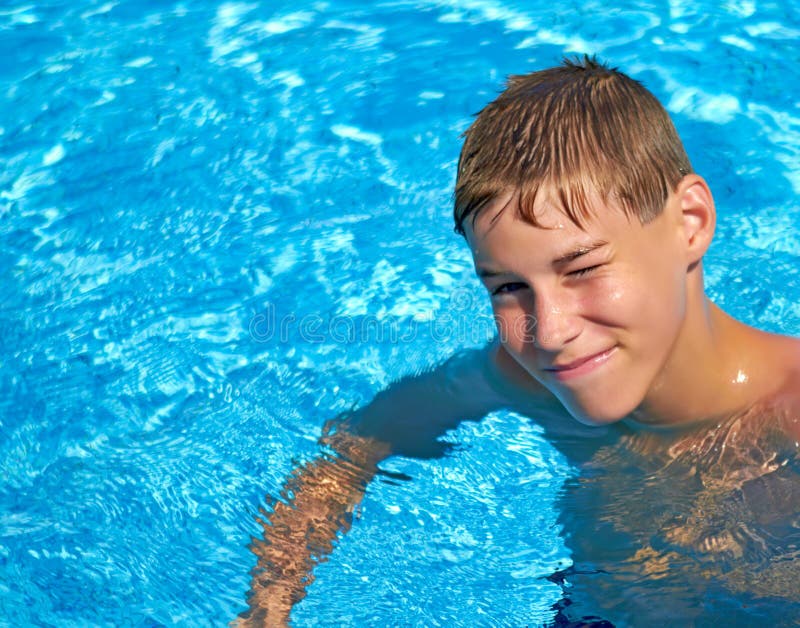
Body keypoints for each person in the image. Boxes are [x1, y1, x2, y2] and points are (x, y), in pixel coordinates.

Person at [235, 57, 800, 626]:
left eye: (582, 269)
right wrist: (269, 606)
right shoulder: (525, 381)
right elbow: (357, 445)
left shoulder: (790, 412)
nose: (549, 332)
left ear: (691, 223)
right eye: (509, 287)